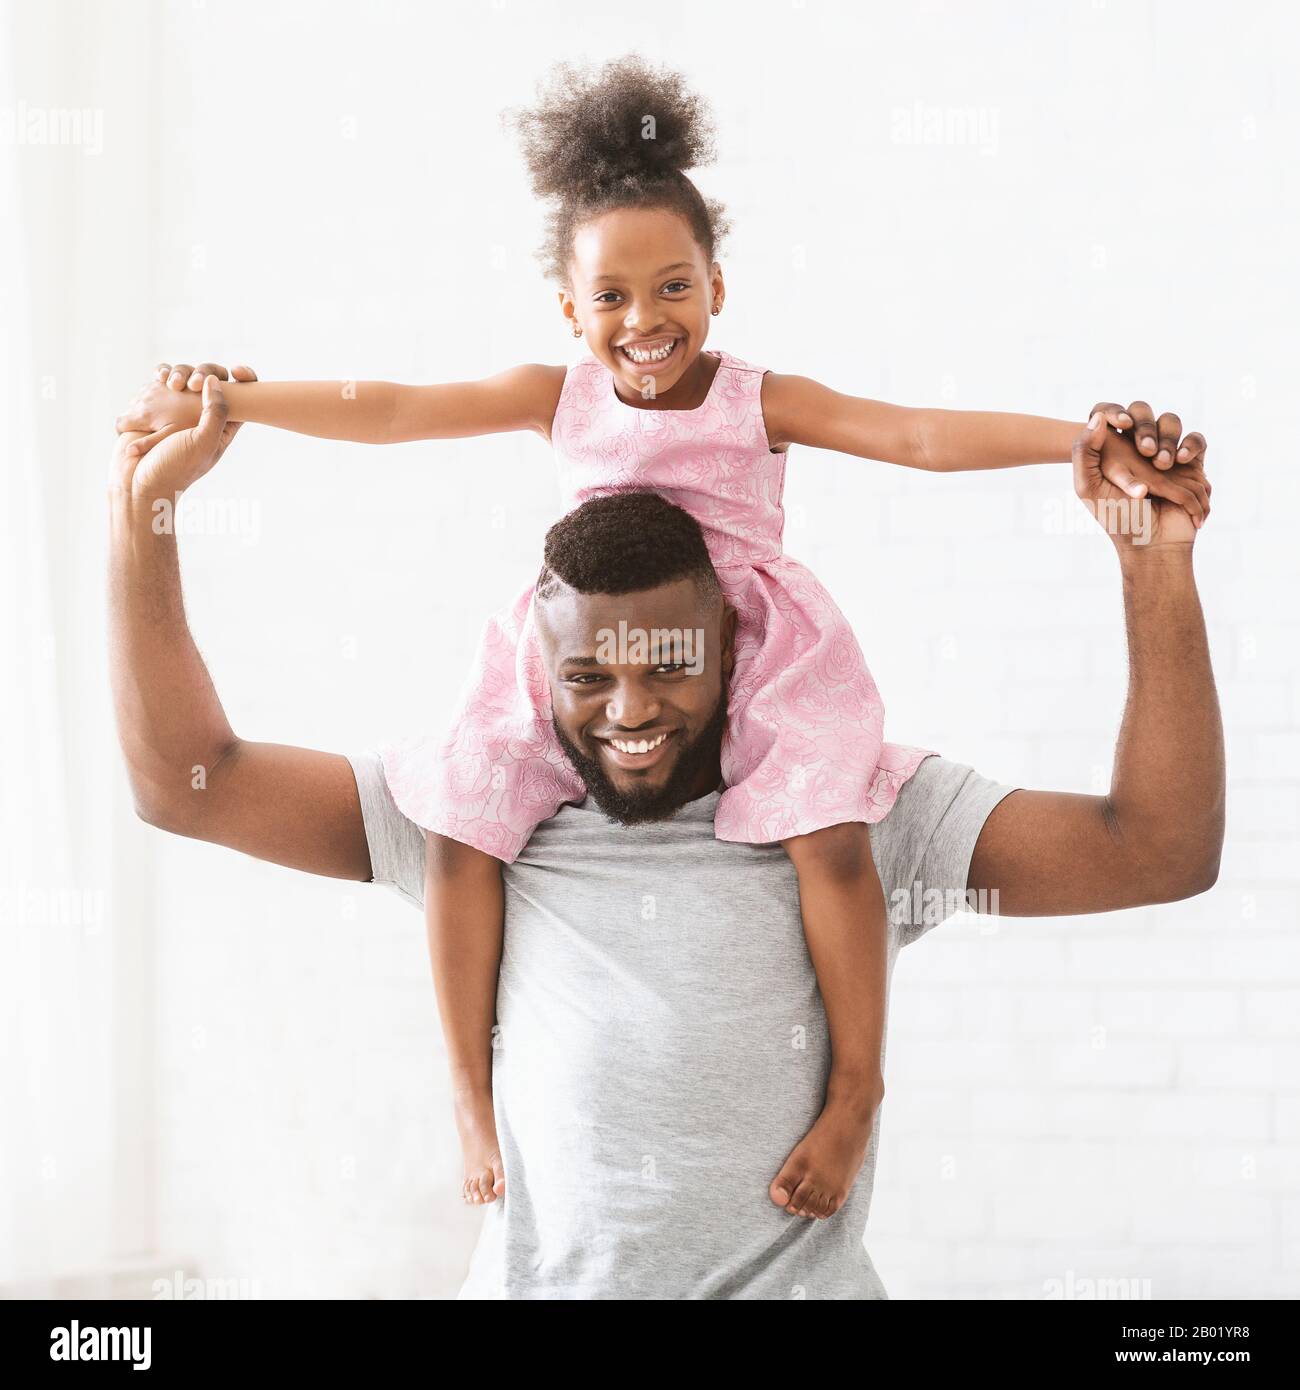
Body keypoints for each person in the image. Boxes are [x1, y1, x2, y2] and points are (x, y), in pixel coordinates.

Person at [113, 58, 1214, 1221]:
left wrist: (1075, 444)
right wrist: (233, 402)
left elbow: (914, 434)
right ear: (568, 310)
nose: (645, 324)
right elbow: (389, 408)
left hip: (755, 640)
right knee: (459, 815)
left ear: (719, 286)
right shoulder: (557, 397)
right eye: (612, 300)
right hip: (586, 611)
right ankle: (462, 1097)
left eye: (673, 288)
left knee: (827, 833)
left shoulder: (754, 398)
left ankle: (854, 1089)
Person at [110, 365, 1223, 1298]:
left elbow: (1157, 849)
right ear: (535, 670)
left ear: (738, 648)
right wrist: (140, 513)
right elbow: (189, 784)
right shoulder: (482, 819)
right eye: (587, 676)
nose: (631, 712)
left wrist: (1153, 566)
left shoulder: (855, 808)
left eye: (671, 665)